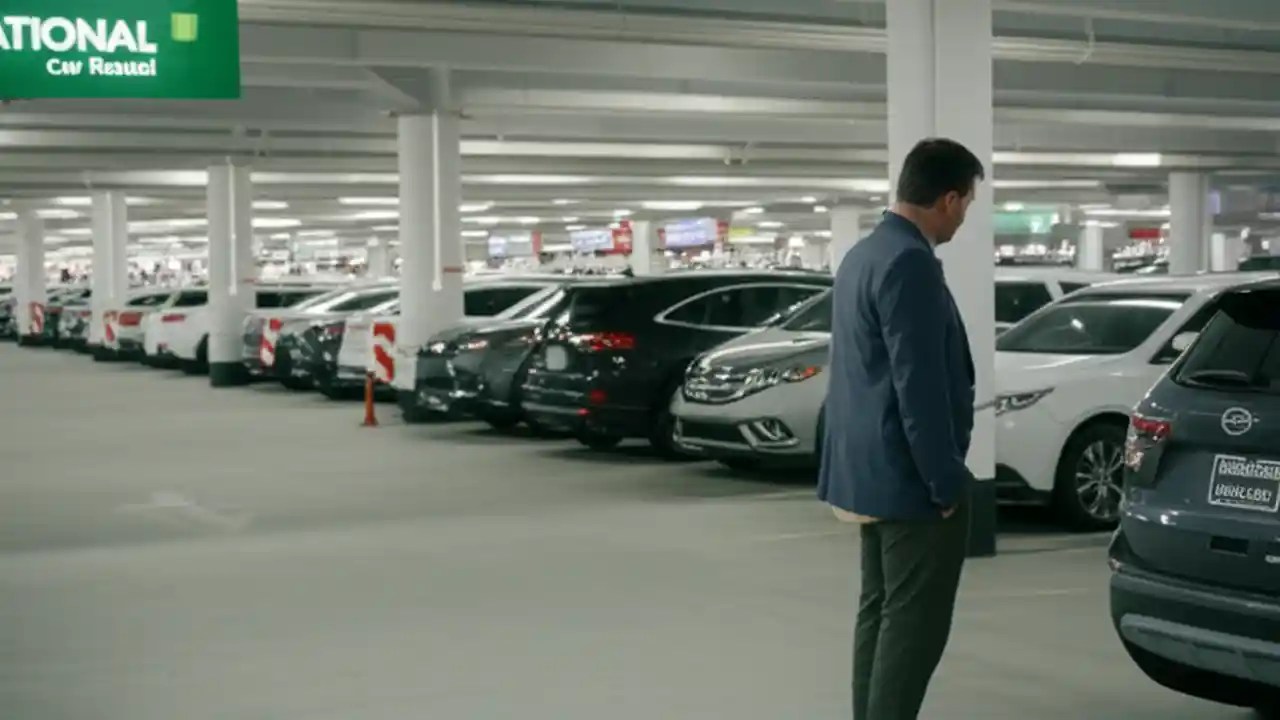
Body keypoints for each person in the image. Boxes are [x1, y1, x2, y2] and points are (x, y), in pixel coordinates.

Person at [818, 137, 984, 720]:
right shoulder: (910, 261)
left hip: (865, 470)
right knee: (914, 629)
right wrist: (943, 482)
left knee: (880, 610)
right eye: (967, 202)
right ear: (948, 198)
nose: (965, 216)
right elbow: (920, 385)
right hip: (911, 480)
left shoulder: (863, 254)